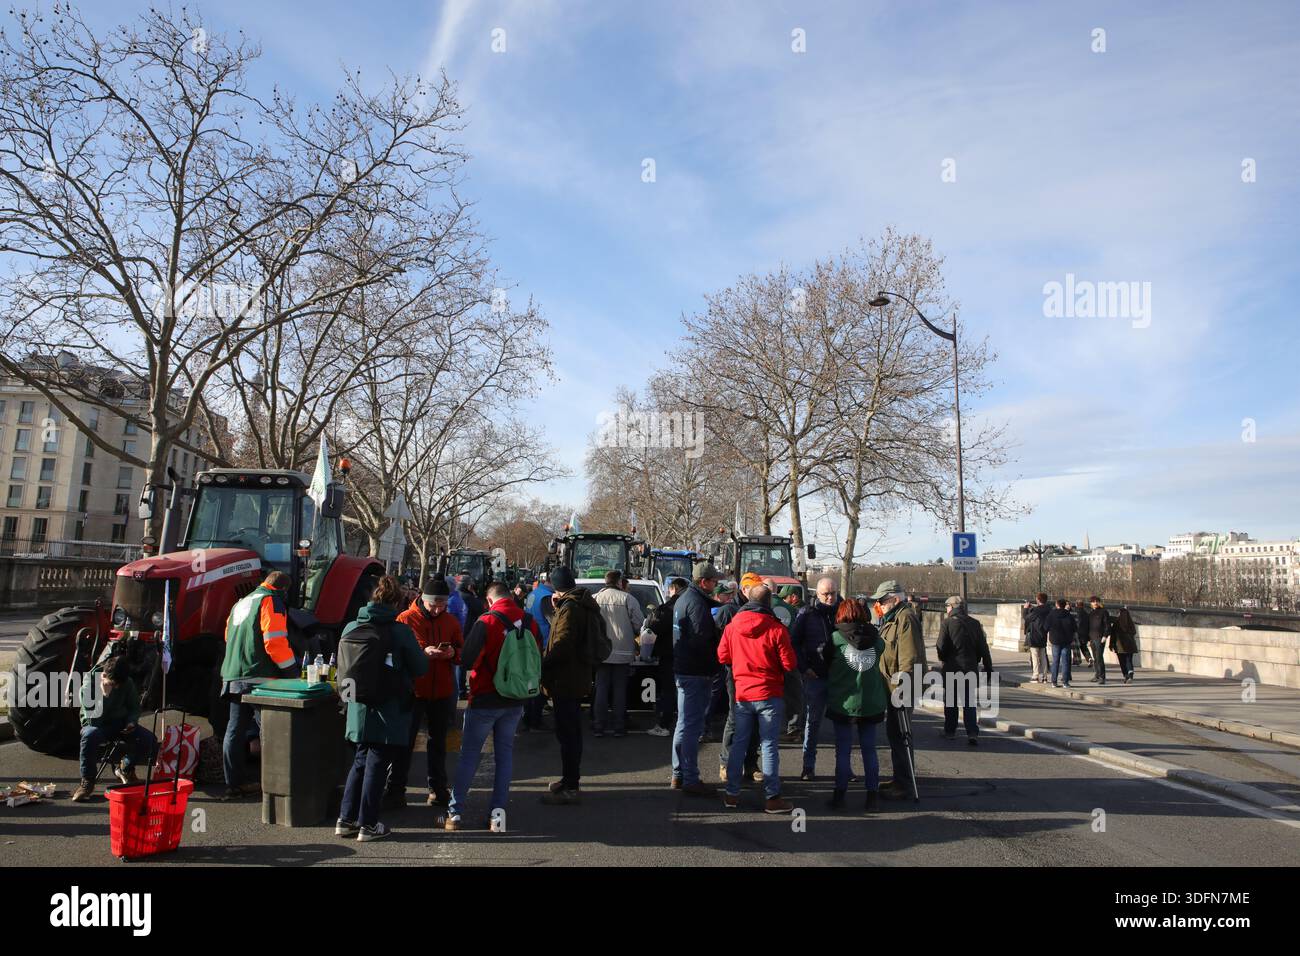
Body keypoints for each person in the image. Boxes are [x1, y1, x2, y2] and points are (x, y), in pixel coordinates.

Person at [336, 575, 429, 842]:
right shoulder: (399, 631)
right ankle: (368, 823)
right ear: (396, 601)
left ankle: (346, 819)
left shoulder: (351, 627)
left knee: (360, 761)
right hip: (388, 706)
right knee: (377, 763)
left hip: (357, 704)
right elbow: (420, 668)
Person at [443, 581, 539, 831]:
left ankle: (455, 814)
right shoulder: (529, 621)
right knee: (504, 756)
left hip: (485, 696)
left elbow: (467, 660)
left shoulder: (486, 622)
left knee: (470, 756)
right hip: (516, 698)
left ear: (489, 600)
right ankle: (497, 816)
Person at [717, 576, 796, 813]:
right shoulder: (777, 629)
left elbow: (722, 656)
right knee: (769, 745)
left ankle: (731, 794)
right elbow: (790, 664)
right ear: (769, 602)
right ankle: (772, 797)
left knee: (739, 743)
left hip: (742, 693)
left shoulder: (732, 627)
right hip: (769, 692)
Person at [219, 569, 298, 801]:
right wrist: (291, 671)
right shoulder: (272, 601)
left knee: (234, 730)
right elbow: (274, 641)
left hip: (233, 674)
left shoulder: (240, 604)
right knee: (272, 731)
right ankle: (275, 784)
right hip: (260, 676)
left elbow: (227, 636)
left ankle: (234, 784)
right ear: (283, 590)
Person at [388, 577, 462, 809]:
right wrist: (422, 653)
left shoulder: (450, 621)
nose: (438, 609)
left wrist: (452, 654)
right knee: (404, 744)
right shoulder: (405, 619)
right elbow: (395, 655)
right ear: (423, 600)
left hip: (441, 691)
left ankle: (438, 789)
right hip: (413, 691)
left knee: (438, 744)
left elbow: (461, 650)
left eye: (442, 605)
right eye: (434, 605)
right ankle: (395, 790)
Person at [538, 566, 601, 805]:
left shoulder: (570, 608)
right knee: (569, 732)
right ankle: (568, 780)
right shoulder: (576, 604)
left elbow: (563, 642)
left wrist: (544, 663)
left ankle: (571, 785)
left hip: (567, 678)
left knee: (568, 734)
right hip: (575, 676)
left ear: (556, 586)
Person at [822, 598, 887, 811]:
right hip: (870, 700)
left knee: (843, 750)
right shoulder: (877, 640)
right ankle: (872, 796)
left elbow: (826, 663)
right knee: (870, 750)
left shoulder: (835, 639)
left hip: (844, 700)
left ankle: (839, 795)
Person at [671, 561, 724, 796]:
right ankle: (690, 778)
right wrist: (716, 662)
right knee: (692, 727)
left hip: (684, 669)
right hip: (696, 672)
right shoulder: (696, 604)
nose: (716, 585)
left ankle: (679, 774)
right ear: (704, 582)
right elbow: (702, 640)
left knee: (684, 725)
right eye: (714, 581)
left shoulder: (684, 599)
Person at [871, 579, 927, 800]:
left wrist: (903, 686)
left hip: (901, 687)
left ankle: (904, 784)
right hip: (892, 686)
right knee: (894, 734)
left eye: (882, 601)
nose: (879, 605)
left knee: (901, 735)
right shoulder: (893, 618)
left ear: (894, 599)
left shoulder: (905, 618)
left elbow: (909, 657)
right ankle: (899, 778)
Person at [72, 655, 156, 801]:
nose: (116, 687)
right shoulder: (88, 686)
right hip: (97, 724)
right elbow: (94, 721)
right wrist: (104, 695)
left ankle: (126, 768)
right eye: (113, 684)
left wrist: (131, 722)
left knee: (149, 740)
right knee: (89, 736)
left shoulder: (126, 682)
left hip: (121, 722)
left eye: (119, 685)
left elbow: (134, 708)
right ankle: (88, 781)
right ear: (103, 676)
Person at [713, 574, 761, 783]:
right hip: (735, 674)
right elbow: (718, 647)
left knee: (756, 721)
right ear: (744, 590)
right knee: (734, 717)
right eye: (755, 589)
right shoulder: (727, 611)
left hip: (756, 674)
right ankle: (726, 763)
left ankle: (751, 764)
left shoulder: (760, 611)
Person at [790, 575, 839, 780]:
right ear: (817, 594)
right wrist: (804, 667)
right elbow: (794, 643)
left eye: (833, 593)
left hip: (839, 677)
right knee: (813, 722)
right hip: (815, 676)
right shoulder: (806, 613)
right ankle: (808, 766)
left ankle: (844, 768)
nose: (829, 597)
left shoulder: (843, 611)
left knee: (842, 725)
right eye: (825, 594)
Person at [592, 569, 644, 737]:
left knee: (601, 688)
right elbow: (639, 624)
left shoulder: (595, 599)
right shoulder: (628, 599)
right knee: (620, 690)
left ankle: (599, 726)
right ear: (619, 582)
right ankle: (619, 727)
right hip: (623, 651)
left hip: (601, 652)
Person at [936, 595, 993, 744]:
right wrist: (988, 667)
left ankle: (950, 731)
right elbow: (983, 648)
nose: (946, 609)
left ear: (952, 607)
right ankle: (972, 732)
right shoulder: (975, 623)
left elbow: (941, 647)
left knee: (951, 701)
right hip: (970, 667)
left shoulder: (947, 623)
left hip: (952, 667)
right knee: (968, 701)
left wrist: (944, 658)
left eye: (947, 606)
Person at [641, 576, 687, 736]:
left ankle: (664, 725)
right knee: (683, 690)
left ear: (673, 589)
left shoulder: (668, 608)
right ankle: (684, 724)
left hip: (669, 654)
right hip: (686, 655)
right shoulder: (690, 604)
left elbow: (655, 627)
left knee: (668, 690)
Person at [455, 575, 484, 699]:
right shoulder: (468, 597)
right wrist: (475, 594)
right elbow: (481, 610)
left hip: (456, 631)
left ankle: (458, 689)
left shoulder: (455, 596)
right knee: (460, 663)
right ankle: (460, 691)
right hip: (466, 632)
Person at [1045, 597, 1077, 688]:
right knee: (1065, 662)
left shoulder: (1051, 615)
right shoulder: (1069, 615)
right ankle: (1065, 682)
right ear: (1064, 605)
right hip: (1066, 640)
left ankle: (1054, 682)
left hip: (1055, 640)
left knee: (1055, 661)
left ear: (1057, 605)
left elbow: (1046, 627)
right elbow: (1075, 628)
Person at [1024, 592, 1051, 684]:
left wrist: (1026, 609)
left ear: (1038, 600)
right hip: (1043, 634)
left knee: (1035, 656)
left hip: (1035, 635)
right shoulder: (1049, 609)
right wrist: (1033, 607)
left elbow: (1027, 618)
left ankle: (1035, 676)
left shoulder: (1036, 610)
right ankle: (1045, 677)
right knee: (1043, 656)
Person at [1086, 595, 1112, 685]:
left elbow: (1107, 625)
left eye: (1097, 601)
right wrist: (1088, 639)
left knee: (1099, 657)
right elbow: (1088, 627)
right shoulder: (1091, 613)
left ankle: (1102, 677)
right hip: (1092, 638)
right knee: (1095, 658)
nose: (1095, 603)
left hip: (1100, 638)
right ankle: (1097, 674)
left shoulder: (1104, 612)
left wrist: (1105, 636)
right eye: (1093, 601)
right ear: (1091, 603)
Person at [1110, 607, 1139, 683]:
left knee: (1122, 662)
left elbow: (1113, 635)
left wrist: (1111, 645)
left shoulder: (1117, 623)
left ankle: (1126, 676)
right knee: (1129, 660)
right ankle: (1130, 673)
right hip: (1130, 645)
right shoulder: (1131, 623)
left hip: (1120, 646)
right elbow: (1134, 632)